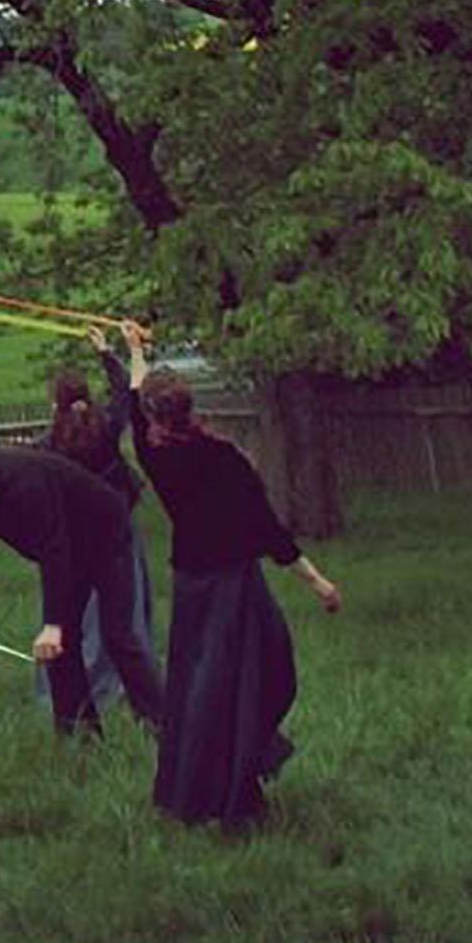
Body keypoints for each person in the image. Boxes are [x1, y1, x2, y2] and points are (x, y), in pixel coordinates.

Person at [122, 322, 343, 828]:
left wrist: (133, 352)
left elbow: (133, 405)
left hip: (196, 588)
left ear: (157, 417)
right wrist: (318, 582)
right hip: (231, 587)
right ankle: (229, 790)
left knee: (204, 687)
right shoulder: (225, 459)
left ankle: (216, 782)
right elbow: (268, 528)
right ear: (190, 407)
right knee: (247, 683)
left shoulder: (155, 456)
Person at [0, 434, 166, 737]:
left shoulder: (25, 480)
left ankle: (160, 723)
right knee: (57, 651)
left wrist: (54, 623)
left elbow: (54, 551)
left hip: (107, 542)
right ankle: (79, 733)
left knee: (117, 636)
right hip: (72, 553)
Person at [32, 327, 155, 711]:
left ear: (56, 405)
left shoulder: (48, 447)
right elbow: (127, 391)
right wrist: (107, 351)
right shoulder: (106, 427)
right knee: (125, 616)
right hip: (118, 537)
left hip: (75, 543)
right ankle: (137, 691)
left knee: (74, 616)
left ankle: (76, 697)